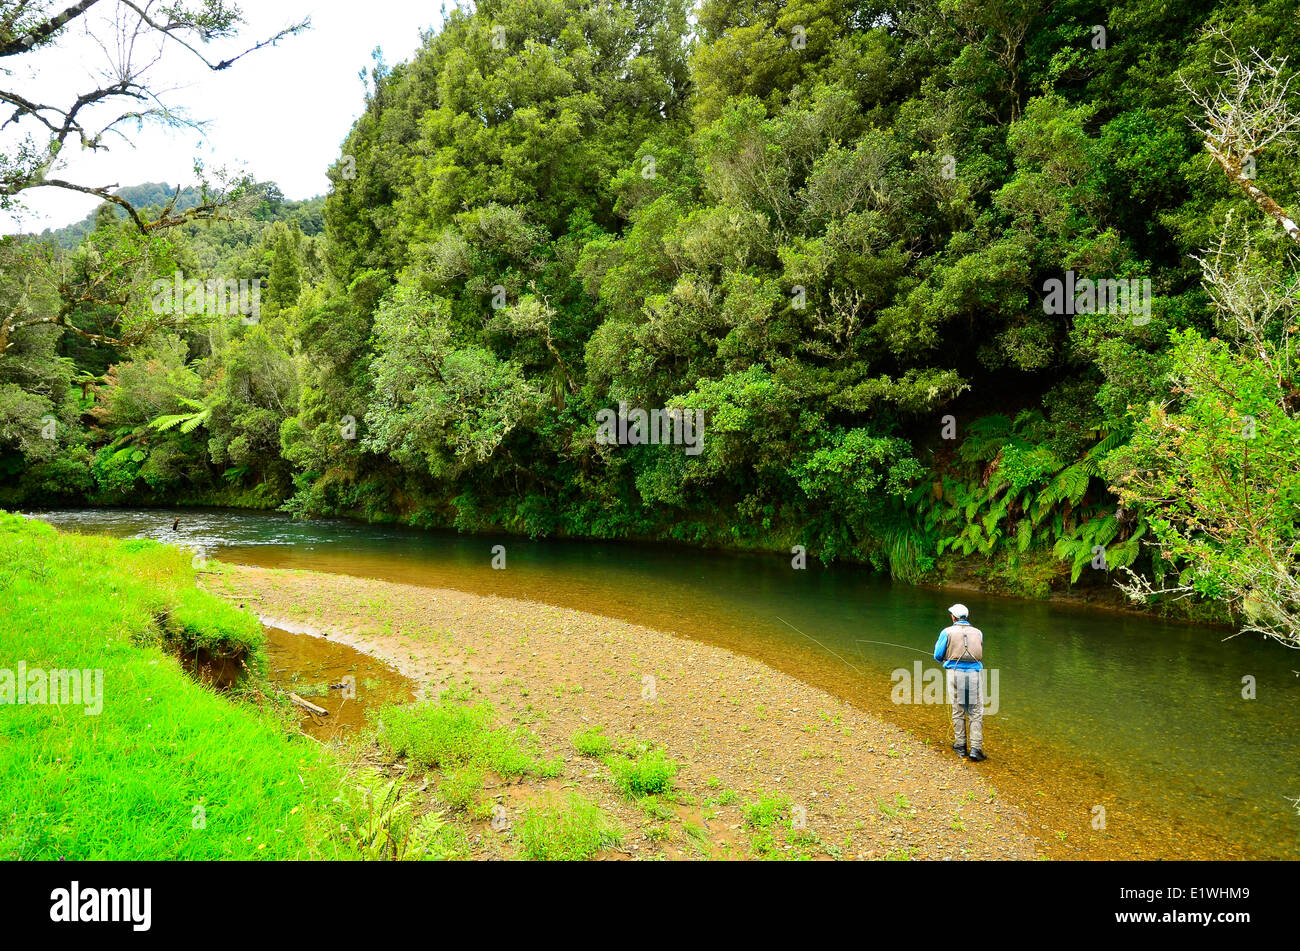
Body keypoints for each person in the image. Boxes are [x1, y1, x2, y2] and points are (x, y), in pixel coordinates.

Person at [932, 603, 986, 762]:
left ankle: (961, 746)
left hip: (954, 673)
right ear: (966, 617)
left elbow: (937, 655)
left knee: (958, 709)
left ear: (953, 617)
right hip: (975, 674)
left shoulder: (946, 632)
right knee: (975, 711)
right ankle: (976, 749)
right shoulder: (978, 632)